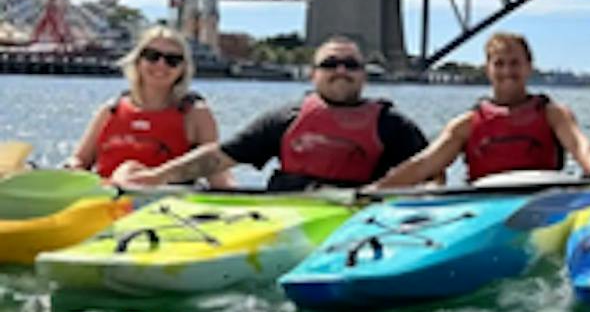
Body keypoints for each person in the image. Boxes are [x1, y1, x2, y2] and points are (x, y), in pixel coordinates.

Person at [116, 36, 428, 192]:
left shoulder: (393, 125)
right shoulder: (285, 119)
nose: (341, 71)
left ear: (364, 76)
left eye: (351, 65)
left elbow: (432, 174)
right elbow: (219, 157)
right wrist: (155, 177)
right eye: (330, 64)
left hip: (354, 214)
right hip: (285, 212)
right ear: (313, 75)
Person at [373, 32, 590, 187]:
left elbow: (581, 148)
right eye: (499, 64)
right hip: (485, 207)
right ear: (488, 69)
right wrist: (374, 191)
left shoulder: (553, 115)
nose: (507, 71)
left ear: (528, 67)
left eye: (515, 63)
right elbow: (425, 164)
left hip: (541, 204)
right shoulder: (466, 124)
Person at [67, 25, 233, 187]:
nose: (161, 65)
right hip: (106, 202)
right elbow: (80, 160)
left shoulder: (196, 114)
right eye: (152, 56)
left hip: (163, 205)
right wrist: (71, 168)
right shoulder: (111, 109)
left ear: (183, 69)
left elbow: (218, 175)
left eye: (172, 60)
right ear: (138, 61)